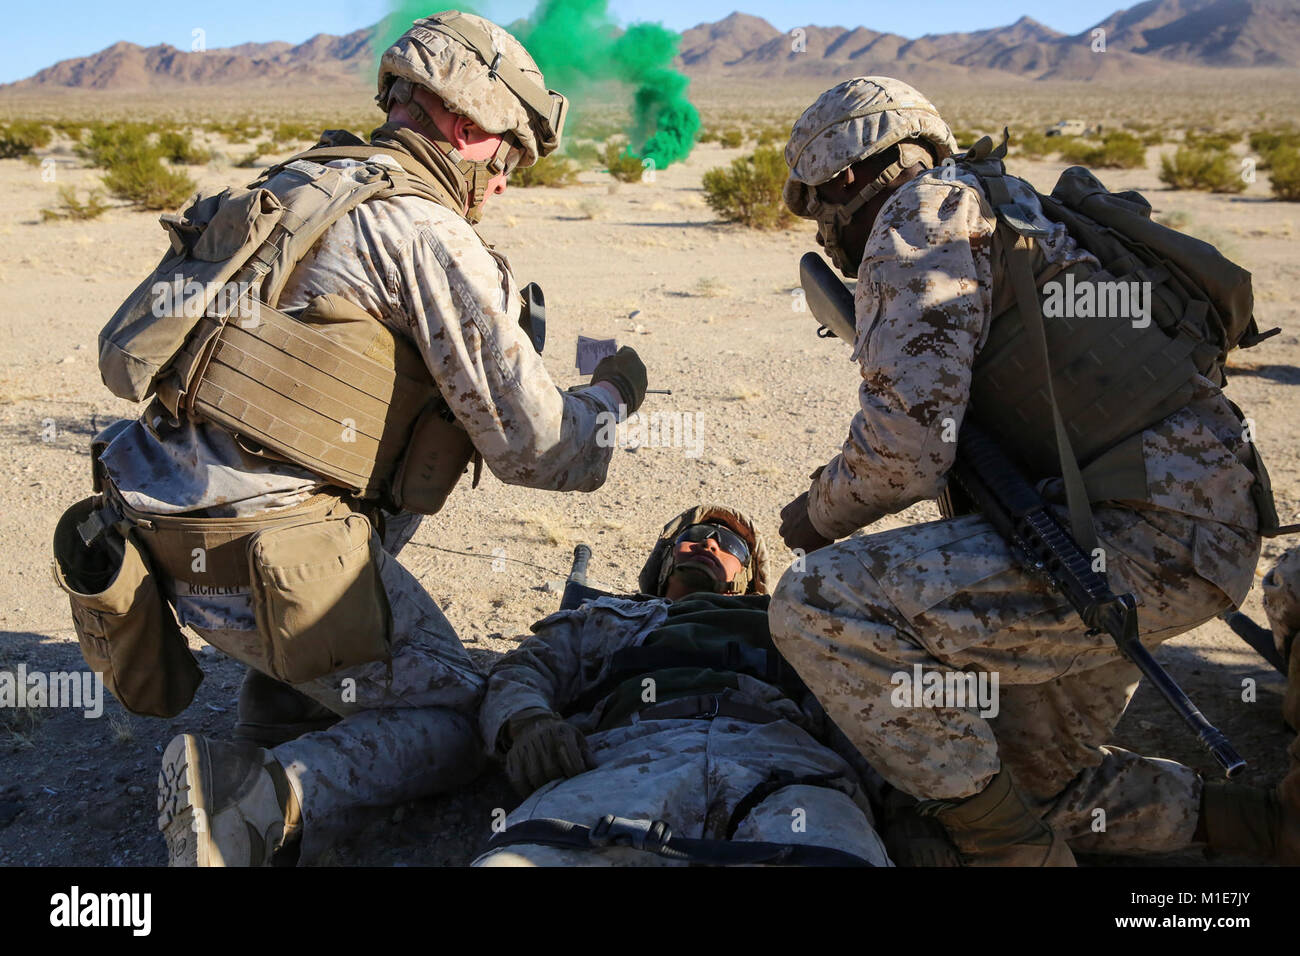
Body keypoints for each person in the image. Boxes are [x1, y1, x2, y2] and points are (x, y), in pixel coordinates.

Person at [59, 11, 647, 867]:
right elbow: (536, 448)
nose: (506, 183)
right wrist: (609, 400)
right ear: (463, 122)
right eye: (507, 156)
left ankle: (288, 698)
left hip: (147, 520)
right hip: (251, 552)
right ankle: (255, 801)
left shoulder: (291, 184)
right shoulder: (424, 229)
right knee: (460, 715)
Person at [767, 75, 1292, 865]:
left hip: (1139, 540)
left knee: (820, 604)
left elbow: (906, 449)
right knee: (1026, 777)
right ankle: (1258, 824)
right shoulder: (1006, 204)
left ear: (844, 175)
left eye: (817, 205)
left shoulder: (920, 216)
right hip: (1176, 529)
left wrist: (819, 512)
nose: (825, 230)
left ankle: (1017, 856)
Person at [471, 504, 893, 867]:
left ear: (746, 578)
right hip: (621, 758)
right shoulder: (606, 616)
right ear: (667, 559)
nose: (709, 544)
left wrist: (905, 808)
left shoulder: (791, 625)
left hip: (789, 766)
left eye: (730, 546)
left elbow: (854, 704)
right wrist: (527, 722)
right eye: (695, 537)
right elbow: (525, 669)